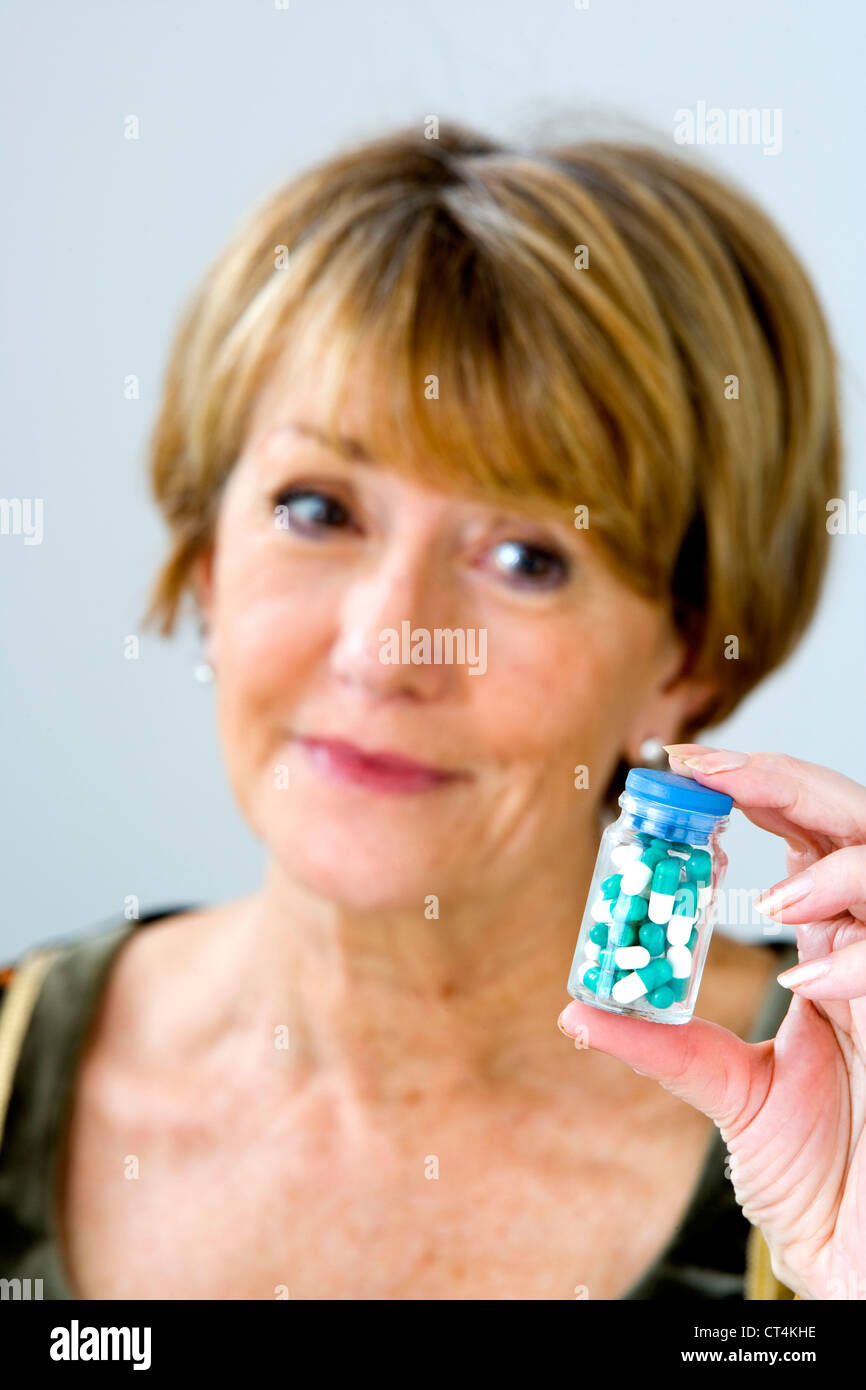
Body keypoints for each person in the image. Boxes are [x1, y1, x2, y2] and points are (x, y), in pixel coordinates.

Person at [1, 122, 862, 1301]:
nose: (383, 647)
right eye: (315, 507)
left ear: (685, 658)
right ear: (207, 557)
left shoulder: (837, 1127)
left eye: (525, 556)